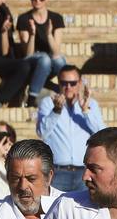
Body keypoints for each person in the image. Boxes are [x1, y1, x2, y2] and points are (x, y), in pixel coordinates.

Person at [35, 65, 103, 194]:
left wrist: (85, 111)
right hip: (57, 171)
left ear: (80, 83)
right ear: (58, 83)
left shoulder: (91, 104)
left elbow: (101, 133)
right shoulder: (48, 103)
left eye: (72, 83)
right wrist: (56, 111)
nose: (68, 87)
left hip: (84, 171)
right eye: (64, 83)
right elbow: (41, 133)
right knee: (55, 211)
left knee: (84, 212)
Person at [16, 0, 66, 106]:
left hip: (50, 60)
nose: (37, 0)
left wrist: (49, 34)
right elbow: (28, 54)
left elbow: (56, 52)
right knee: (44, 59)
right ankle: (32, 98)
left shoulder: (56, 18)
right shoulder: (23, 19)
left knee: (60, 61)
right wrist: (32, 34)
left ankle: (65, 94)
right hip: (32, 60)